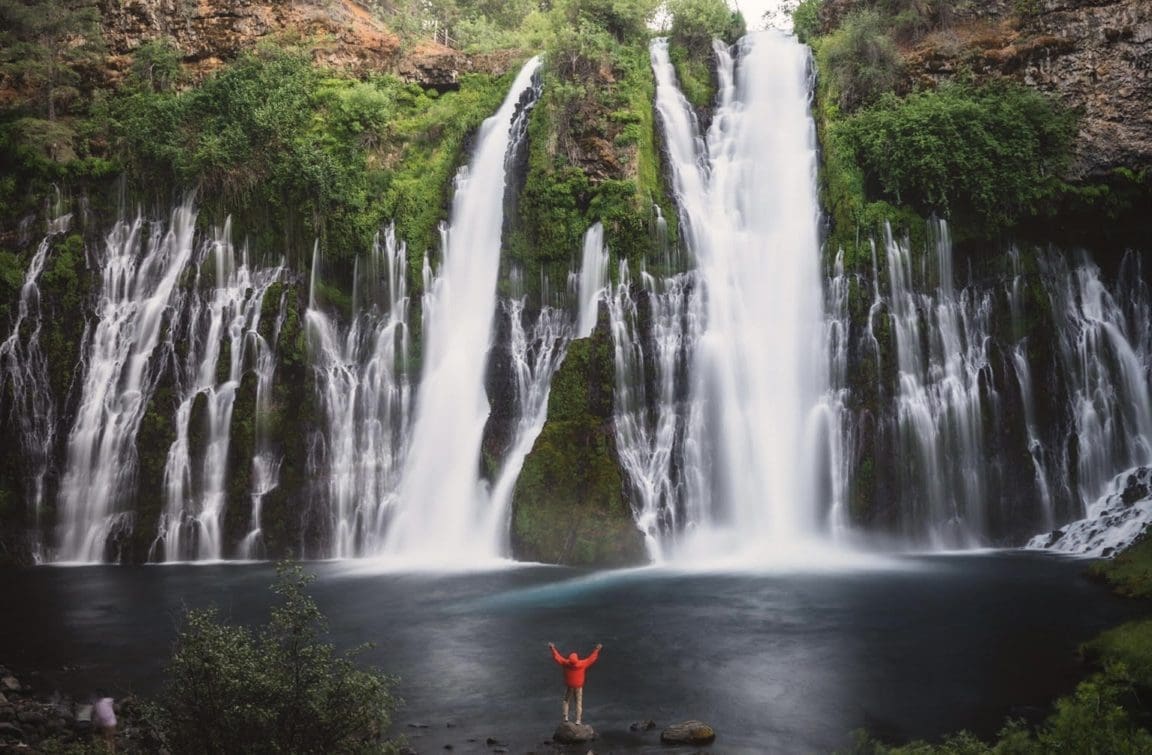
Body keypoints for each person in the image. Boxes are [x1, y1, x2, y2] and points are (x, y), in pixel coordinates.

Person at [548, 642, 602, 725]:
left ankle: (565, 717)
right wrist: (597, 649)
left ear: (569, 659)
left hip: (569, 685)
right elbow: (592, 658)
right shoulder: (582, 664)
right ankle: (578, 720)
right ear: (577, 659)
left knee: (566, 700)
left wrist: (552, 648)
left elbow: (557, 657)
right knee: (578, 703)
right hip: (578, 686)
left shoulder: (565, 663)